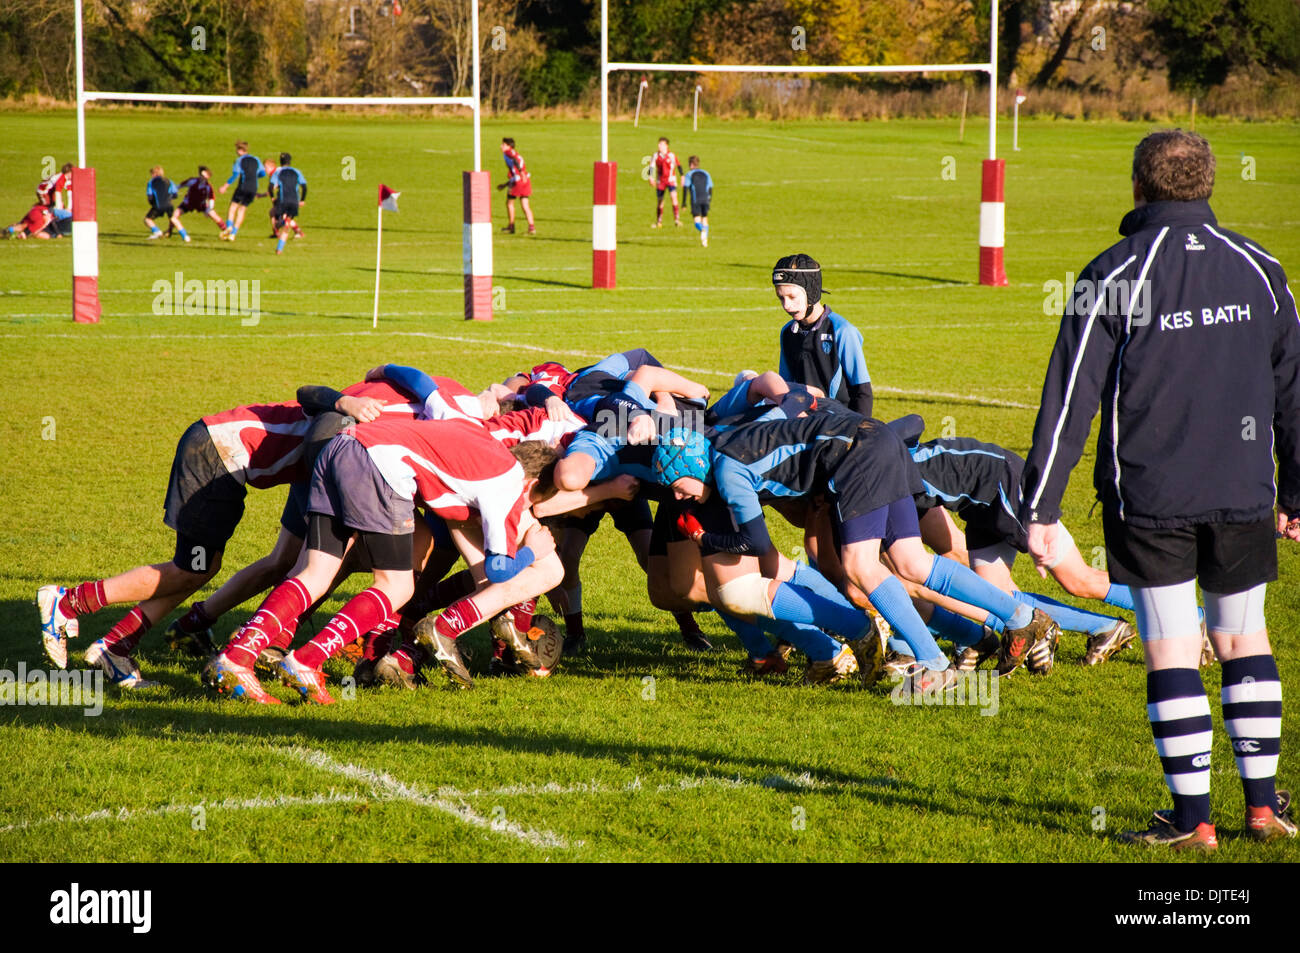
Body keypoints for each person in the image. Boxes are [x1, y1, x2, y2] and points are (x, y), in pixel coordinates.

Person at [1019, 129, 1300, 850]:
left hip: (1152, 496)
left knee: (1174, 647)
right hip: (1242, 489)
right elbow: (1294, 392)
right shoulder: (1261, 267)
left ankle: (1193, 819)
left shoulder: (1111, 273)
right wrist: (1296, 492)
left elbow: (1068, 399)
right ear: (1208, 185)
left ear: (1138, 187)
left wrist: (1040, 510)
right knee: (1244, 637)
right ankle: (1264, 809)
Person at [773, 255, 873, 416]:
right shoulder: (787, 333)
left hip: (838, 424)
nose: (786, 305)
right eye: (781, 298)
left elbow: (862, 391)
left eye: (792, 297)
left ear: (811, 291)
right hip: (801, 424)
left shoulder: (842, 330)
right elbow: (786, 386)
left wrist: (859, 432)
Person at [218, 140, 265, 241]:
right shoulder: (256, 159)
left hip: (243, 186)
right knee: (242, 209)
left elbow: (235, 175)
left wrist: (225, 186)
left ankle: (229, 226)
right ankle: (233, 234)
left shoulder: (239, 160)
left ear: (240, 150)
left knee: (233, 205)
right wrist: (254, 176)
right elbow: (263, 173)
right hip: (253, 187)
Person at [268, 152, 307, 255]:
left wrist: (272, 198)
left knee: (277, 221)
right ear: (290, 161)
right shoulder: (297, 171)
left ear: (280, 162)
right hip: (294, 201)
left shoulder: (278, 172)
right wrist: (302, 200)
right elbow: (304, 187)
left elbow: (270, 187)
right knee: (287, 224)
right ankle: (279, 249)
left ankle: (282, 223)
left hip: (283, 200)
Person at [172, 166, 225, 235]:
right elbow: (181, 185)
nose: (202, 177)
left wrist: (209, 209)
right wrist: (173, 191)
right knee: (175, 215)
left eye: (204, 176)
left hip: (201, 205)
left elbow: (211, 199)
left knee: (213, 214)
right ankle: (169, 231)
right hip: (188, 203)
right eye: (201, 175)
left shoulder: (208, 187)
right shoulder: (192, 181)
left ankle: (226, 230)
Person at [498, 138, 534, 235]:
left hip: (518, 180)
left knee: (510, 203)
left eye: (503, 144)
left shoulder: (508, 153)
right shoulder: (514, 152)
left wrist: (521, 172)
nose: (501, 146)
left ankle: (511, 226)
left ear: (509, 146)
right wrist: (505, 184)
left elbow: (514, 161)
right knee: (525, 205)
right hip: (525, 179)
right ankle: (531, 227)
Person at [144, 166, 187, 242]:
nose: (151, 175)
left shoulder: (151, 182)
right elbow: (175, 195)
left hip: (158, 205)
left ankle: (157, 231)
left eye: (152, 174)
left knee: (147, 219)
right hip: (169, 205)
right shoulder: (169, 181)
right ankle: (185, 236)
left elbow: (150, 197)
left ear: (155, 174)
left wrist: (153, 204)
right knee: (173, 219)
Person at [651, 137, 681, 228]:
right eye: (659, 144)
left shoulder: (671, 155)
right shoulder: (656, 155)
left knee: (674, 198)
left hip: (671, 180)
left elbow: (678, 165)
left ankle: (677, 220)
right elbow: (651, 167)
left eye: (662, 144)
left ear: (666, 146)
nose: (659, 146)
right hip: (661, 181)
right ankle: (659, 221)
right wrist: (651, 178)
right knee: (660, 201)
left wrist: (682, 175)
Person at [683, 155, 712, 247]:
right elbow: (710, 187)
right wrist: (709, 199)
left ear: (691, 164)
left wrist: (684, 203)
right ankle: (705, 241)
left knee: (697, 221)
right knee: (705, 218)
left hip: (696, 200)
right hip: (706, 199)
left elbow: (685, 188)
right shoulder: (706, 173)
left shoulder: (689, 174)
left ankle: (702, 230)